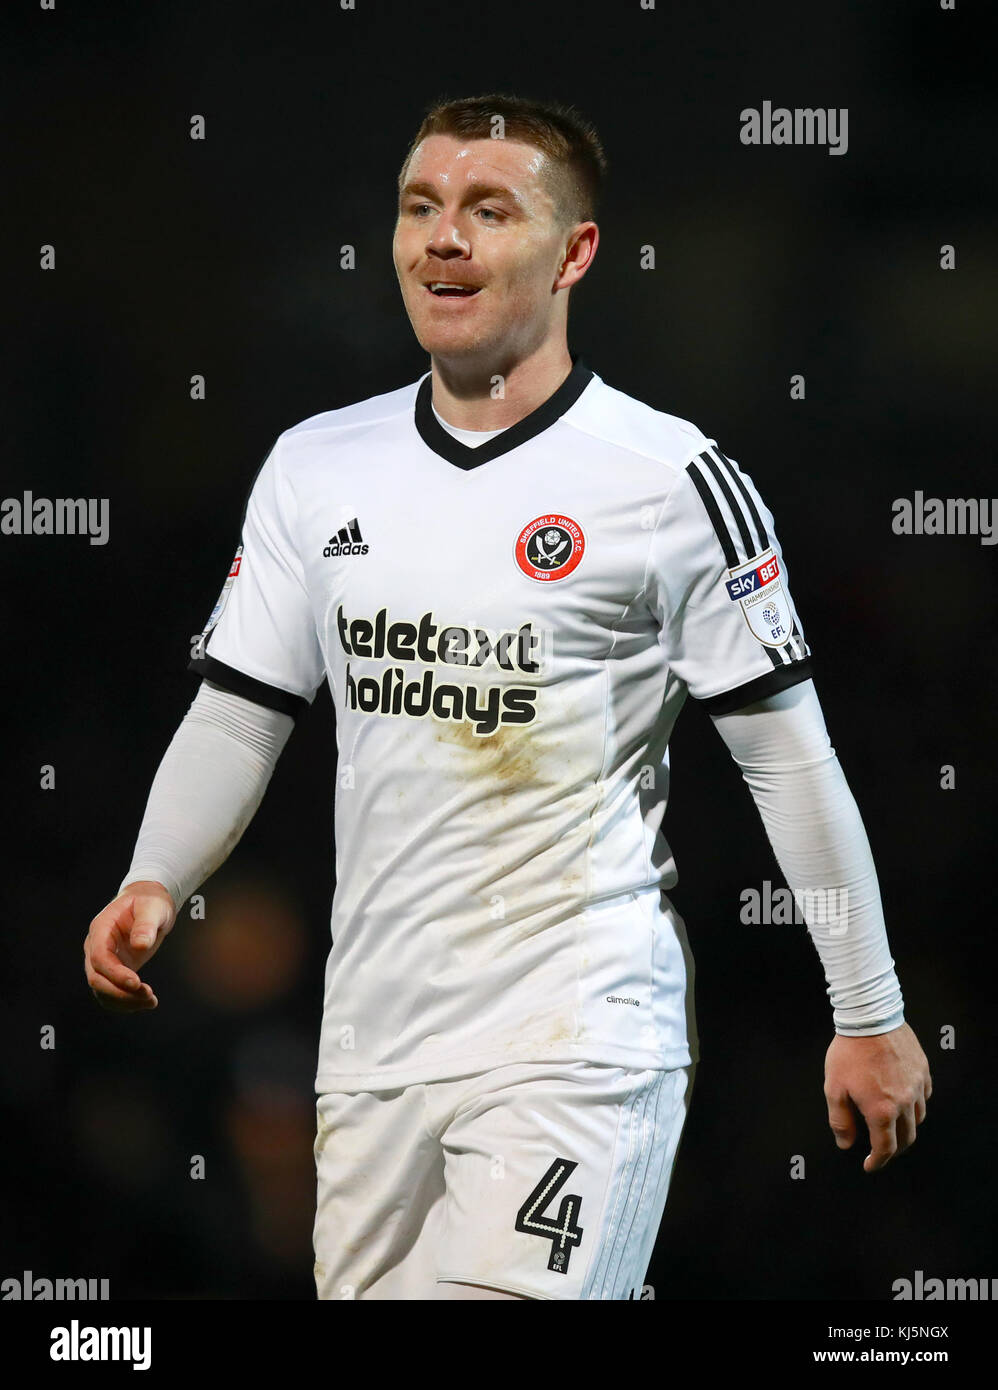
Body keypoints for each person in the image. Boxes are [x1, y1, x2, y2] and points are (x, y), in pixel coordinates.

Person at [84, 93, 932, 1301]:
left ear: (573, 250)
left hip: (575, 1037)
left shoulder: (669, 481)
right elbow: (238, 708)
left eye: (488, 211)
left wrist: (868, 1007)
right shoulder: (316, 465)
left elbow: (789, 761)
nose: (443, 238)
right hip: (370, 1048)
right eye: (420, 207)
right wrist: (155, 876)